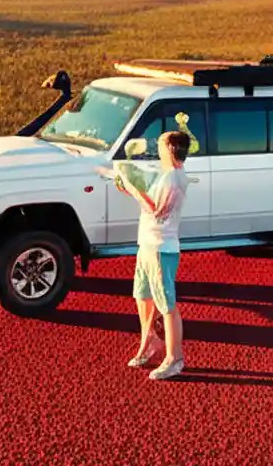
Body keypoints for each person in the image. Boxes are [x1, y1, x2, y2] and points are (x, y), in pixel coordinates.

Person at [111, 130, 191, 381]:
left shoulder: (175, 179)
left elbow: (156, 210)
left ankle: (174, 358)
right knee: (142, 296)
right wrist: (127, 186)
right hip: (146, 245)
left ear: (169, 147)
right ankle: (150, 342)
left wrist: (132, 189)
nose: (157, 147)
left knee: (166, 304)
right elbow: (149, 197)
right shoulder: (165, 176)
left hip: (161, 249)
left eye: (161, 143)